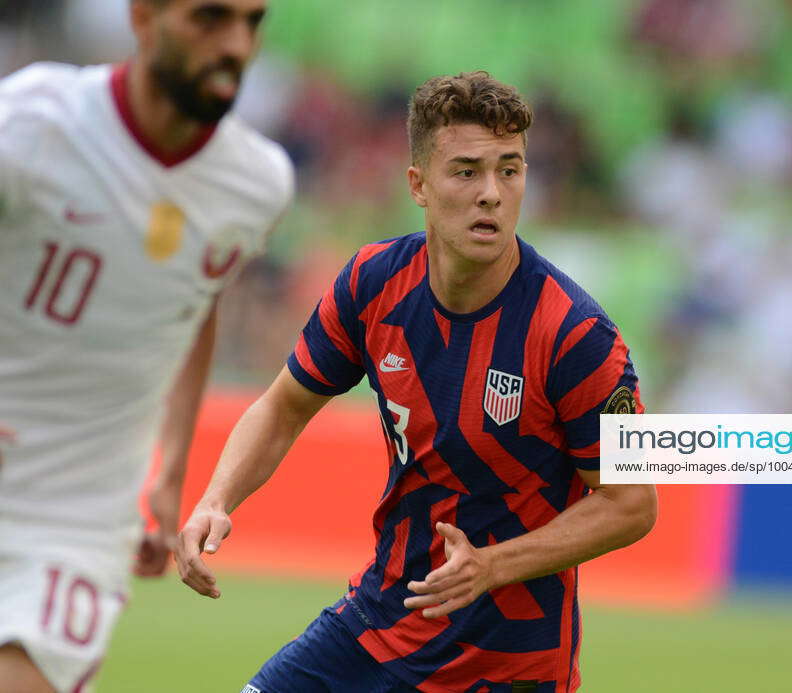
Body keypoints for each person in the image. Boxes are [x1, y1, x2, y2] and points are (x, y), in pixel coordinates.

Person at [177, 71, 656, 693]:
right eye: (466, 171)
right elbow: (283, 407)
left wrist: (489, 566)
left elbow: (632, 504)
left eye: (509, 170)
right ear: (418, 184)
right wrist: (216, 498)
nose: (491, 193)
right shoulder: (372, 283)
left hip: (506, 668)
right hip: (377, 625)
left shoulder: (576, 335)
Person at [0, 1, 292, 691]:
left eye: (251, 23)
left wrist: (172, 466)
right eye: (210, 18)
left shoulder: (257, 185)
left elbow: (196, 297)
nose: (235, 45)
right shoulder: (32, 125)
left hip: (73, 522)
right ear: (143, 17)